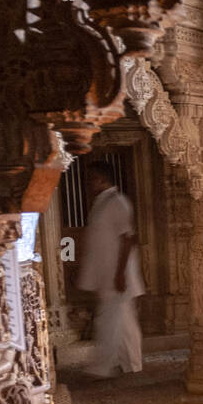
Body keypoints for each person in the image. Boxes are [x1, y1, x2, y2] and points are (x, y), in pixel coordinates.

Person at [77, 161, 144, 377]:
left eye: (92, 178)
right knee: (124, 323)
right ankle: (133, 365)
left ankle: (102, 366)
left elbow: (127, 239)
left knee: (109, 321)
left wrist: (119, 274)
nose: (88, 183)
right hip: (107, 274)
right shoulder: (101, 203)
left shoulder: (117, 202)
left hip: (116, 275)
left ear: (102, 178)